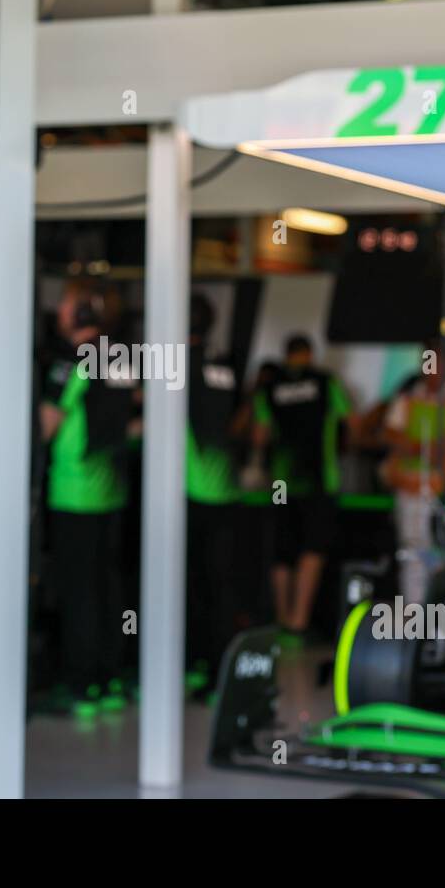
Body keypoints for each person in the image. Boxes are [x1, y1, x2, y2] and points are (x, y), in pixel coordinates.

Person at [40, 280, 139, 717]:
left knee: (79, 588)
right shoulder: (121, 358)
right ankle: (109, 676)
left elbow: (46, 428)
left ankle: (82, 683)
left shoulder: (69, 362)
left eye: (64, 303)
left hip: (74, 491)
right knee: (108, 585)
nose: (59, 311)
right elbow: (139, 422)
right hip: (113, 491)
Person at [251, 334, 353, 645]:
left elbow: (259, 436)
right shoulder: (325, 382)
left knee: (283, 549)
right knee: (313, 547)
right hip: (319, 478)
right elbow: (351, 422)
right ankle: (299, 620)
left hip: (282, 482)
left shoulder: (269, 386)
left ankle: (282, 617)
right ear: (309, 354)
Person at [381, 342, 445, 603]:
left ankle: (439, 615)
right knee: (413, 553)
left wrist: (433, 448)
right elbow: (391, 432)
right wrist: (413, 447)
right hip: (411, 488)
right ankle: (414, 619)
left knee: (442, 554)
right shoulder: (408, 396)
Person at [184, 294, 242, 697]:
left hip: (190, 490)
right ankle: (220, 670)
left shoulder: (177, 364)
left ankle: (192, 667)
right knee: (221, 586)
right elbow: (240, 419)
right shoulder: (226, 364)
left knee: (192, 588)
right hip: (226, 490)